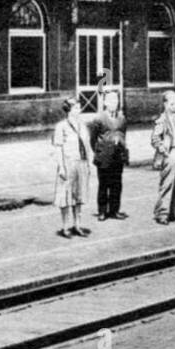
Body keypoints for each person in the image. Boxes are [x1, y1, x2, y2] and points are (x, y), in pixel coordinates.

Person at [51, 97, 95, 238]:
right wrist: (61, 167)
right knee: (65, 197)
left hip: (81, 163)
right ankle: (65, 227)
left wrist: (89, 162)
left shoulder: (83, 125)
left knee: (79, 196)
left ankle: (77, 225)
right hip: (68, 164)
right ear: (68, 110)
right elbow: (57, 148)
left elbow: (87, 146)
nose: (79, 110)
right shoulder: (61, 126)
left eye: (79, 107)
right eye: (76, 108)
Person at [150, 89, 175, 225]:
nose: (174, 106)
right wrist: (162, 149)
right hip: (170, 152)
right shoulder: (162, 120)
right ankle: (162, 213)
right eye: (172, 103)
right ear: (165, 104)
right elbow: (155, 138)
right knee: (167, 184)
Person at [90, 90, 128, 221]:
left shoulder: (122, 118)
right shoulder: (99, 118)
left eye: (117, 100)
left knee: (116, 184)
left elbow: (123, 134)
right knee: (103, 184)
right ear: (105, 102)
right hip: (104, 157)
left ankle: (114, 210)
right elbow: (93, 139)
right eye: (111, 100)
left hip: (117, 157)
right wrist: (99, 151)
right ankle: (102, 211)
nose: (115, 103)